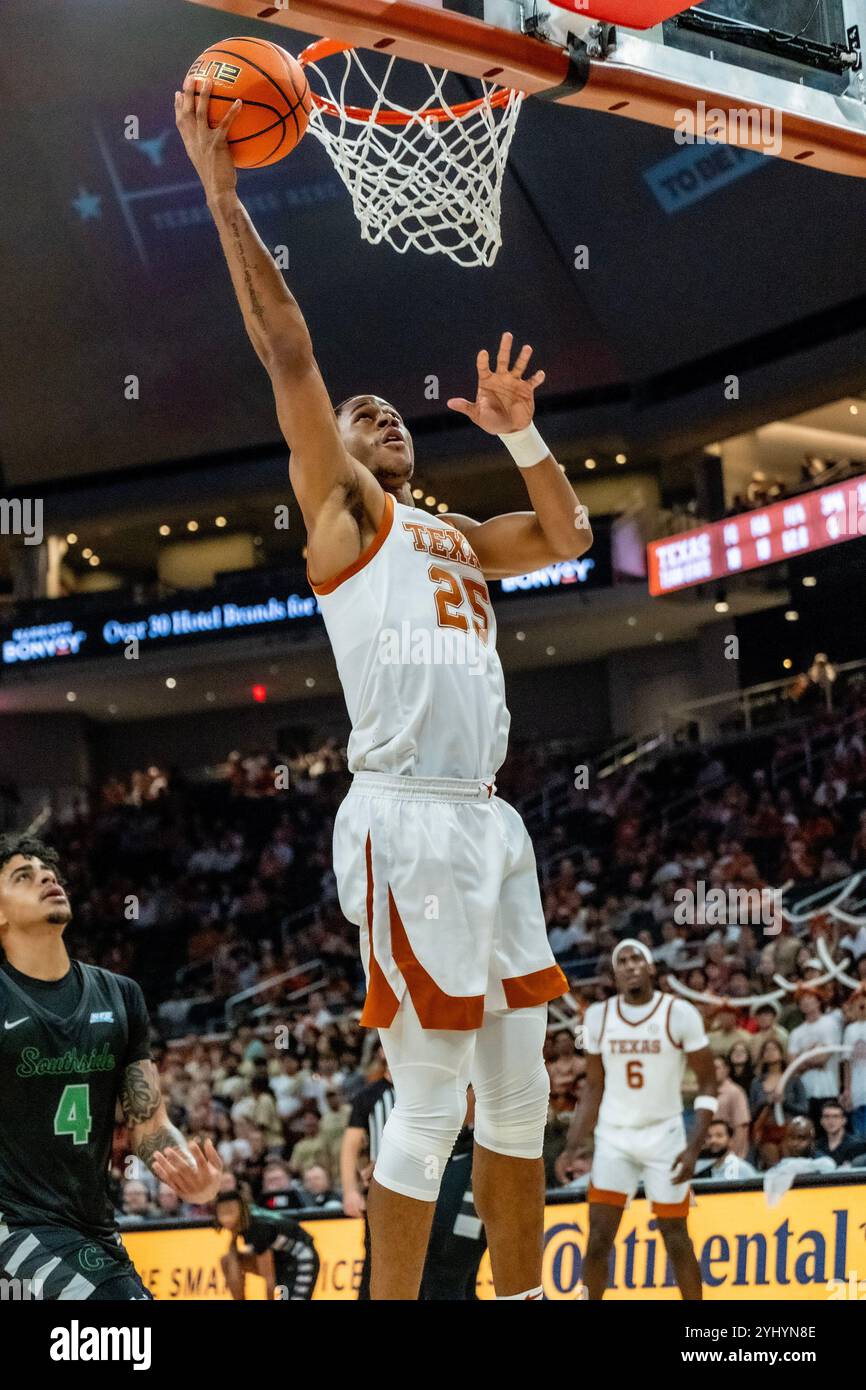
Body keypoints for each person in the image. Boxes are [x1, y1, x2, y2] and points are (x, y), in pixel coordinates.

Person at [176, 78, 592, 1303]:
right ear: (335, 456)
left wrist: (520, 433)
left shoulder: (455, 528)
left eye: (388, 411)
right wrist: (220, 194)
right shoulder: (346, 517)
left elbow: (564, 535)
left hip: (488, 814)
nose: (376, 416)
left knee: (518, 1091)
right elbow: (290, 351)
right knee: (428, 1095)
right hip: (405, 814)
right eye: (357, 416)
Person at [0, 834, 223, 1300]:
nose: (46, 878)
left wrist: (186, 1170)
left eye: (50, 873)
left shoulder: (120, 996)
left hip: (92, 1227)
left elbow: (148, 1122)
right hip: (14, 1225)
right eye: (24, 876)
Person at [558, 940, 717, 1301]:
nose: (629, 965)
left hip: (665, 1134)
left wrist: (694, 1146)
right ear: (614, 974)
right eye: (622, 961)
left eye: (636, 959)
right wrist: (573, 1145)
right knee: (598, 1236)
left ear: (651, 968)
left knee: (675, 1234)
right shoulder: (597, 1016)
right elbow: (594, 1087)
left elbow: (708, 1082)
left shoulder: (679, 1013)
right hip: (615, 1137)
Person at [215, 1190, 319, 1301]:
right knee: (227, 1260)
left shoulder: (258, 1228)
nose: (226, 1218)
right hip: (281, 1258)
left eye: (230, 1211)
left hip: (301, 1258)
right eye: (222, 1213)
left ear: (239, 1210)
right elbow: (233, 1262)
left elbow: (269, 1281)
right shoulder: (245, 1219)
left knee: (287, 1295)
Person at [787, 989, 844, 1124]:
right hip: (804, 1092)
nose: (806, 1002)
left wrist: (802, 1056)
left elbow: (823, 1058)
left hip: (828, 1089)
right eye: (802, 1000)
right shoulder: (796, 1032)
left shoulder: (830, 1024)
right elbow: (792, 1065)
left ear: (818, 1001)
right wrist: (814, 1051)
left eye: (810, 998)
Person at [713, 1055, 751, 1158]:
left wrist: (735, 1154)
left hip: (730, 1150)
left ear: (726, 1070)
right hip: (711, 1147)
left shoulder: (735, 1092)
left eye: (716, 1068)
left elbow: (741, 1126)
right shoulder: (705, 1093)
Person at [842, 990, 866, 1138]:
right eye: (858, 1001)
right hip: (858, 1090)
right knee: (859, 1137)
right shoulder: (850, 1030)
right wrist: (847, 1090)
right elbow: (847, 1063)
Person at [815, 1100, 866, 1167]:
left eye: (835, 1116)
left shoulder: (857, 1145)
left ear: (844, 1120)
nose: (831, 1121)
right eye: (826, 1116)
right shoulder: (816, 1146)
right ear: (821, 1121)